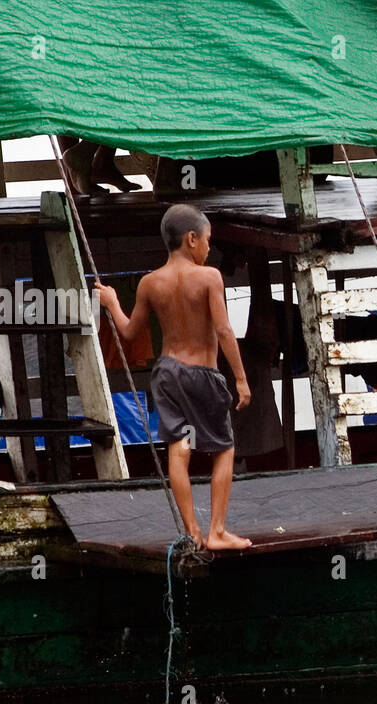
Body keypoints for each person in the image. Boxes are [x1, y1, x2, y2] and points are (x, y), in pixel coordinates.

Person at [96, 204, 253, 550]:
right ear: (191, 239)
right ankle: (217, 532)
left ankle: (192, 533)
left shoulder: (150, 283)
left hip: (167, 373)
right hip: (203, 374)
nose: (210, 248)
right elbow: (225, 330)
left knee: (179, 449)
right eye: (208, 240)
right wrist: (241, 378)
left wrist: (110, 303)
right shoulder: (209, 277)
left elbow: (129, 331)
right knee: (223, 449)